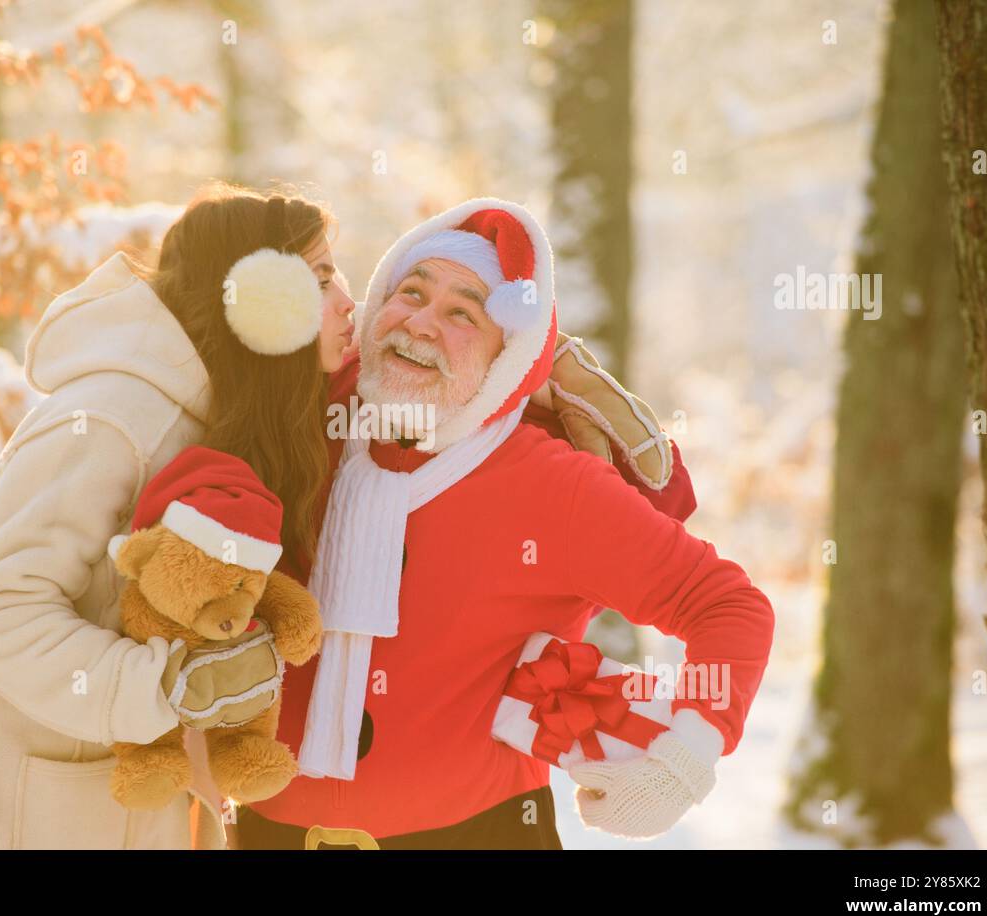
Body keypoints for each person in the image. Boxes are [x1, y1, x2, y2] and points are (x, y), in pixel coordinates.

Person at [236, 198, 775, 849]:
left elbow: (729, 606)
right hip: (268, 836)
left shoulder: (553, 482)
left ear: (507, 358)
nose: (423, 325)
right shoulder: (299, 421)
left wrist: (682, 762)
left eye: (463, 313)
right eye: (410, 293)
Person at [0, 184, 353, 849]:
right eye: (323, 277)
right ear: (264, 303)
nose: (348, 302)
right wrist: (166, 686)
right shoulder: (109, 418)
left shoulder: (214, 418)